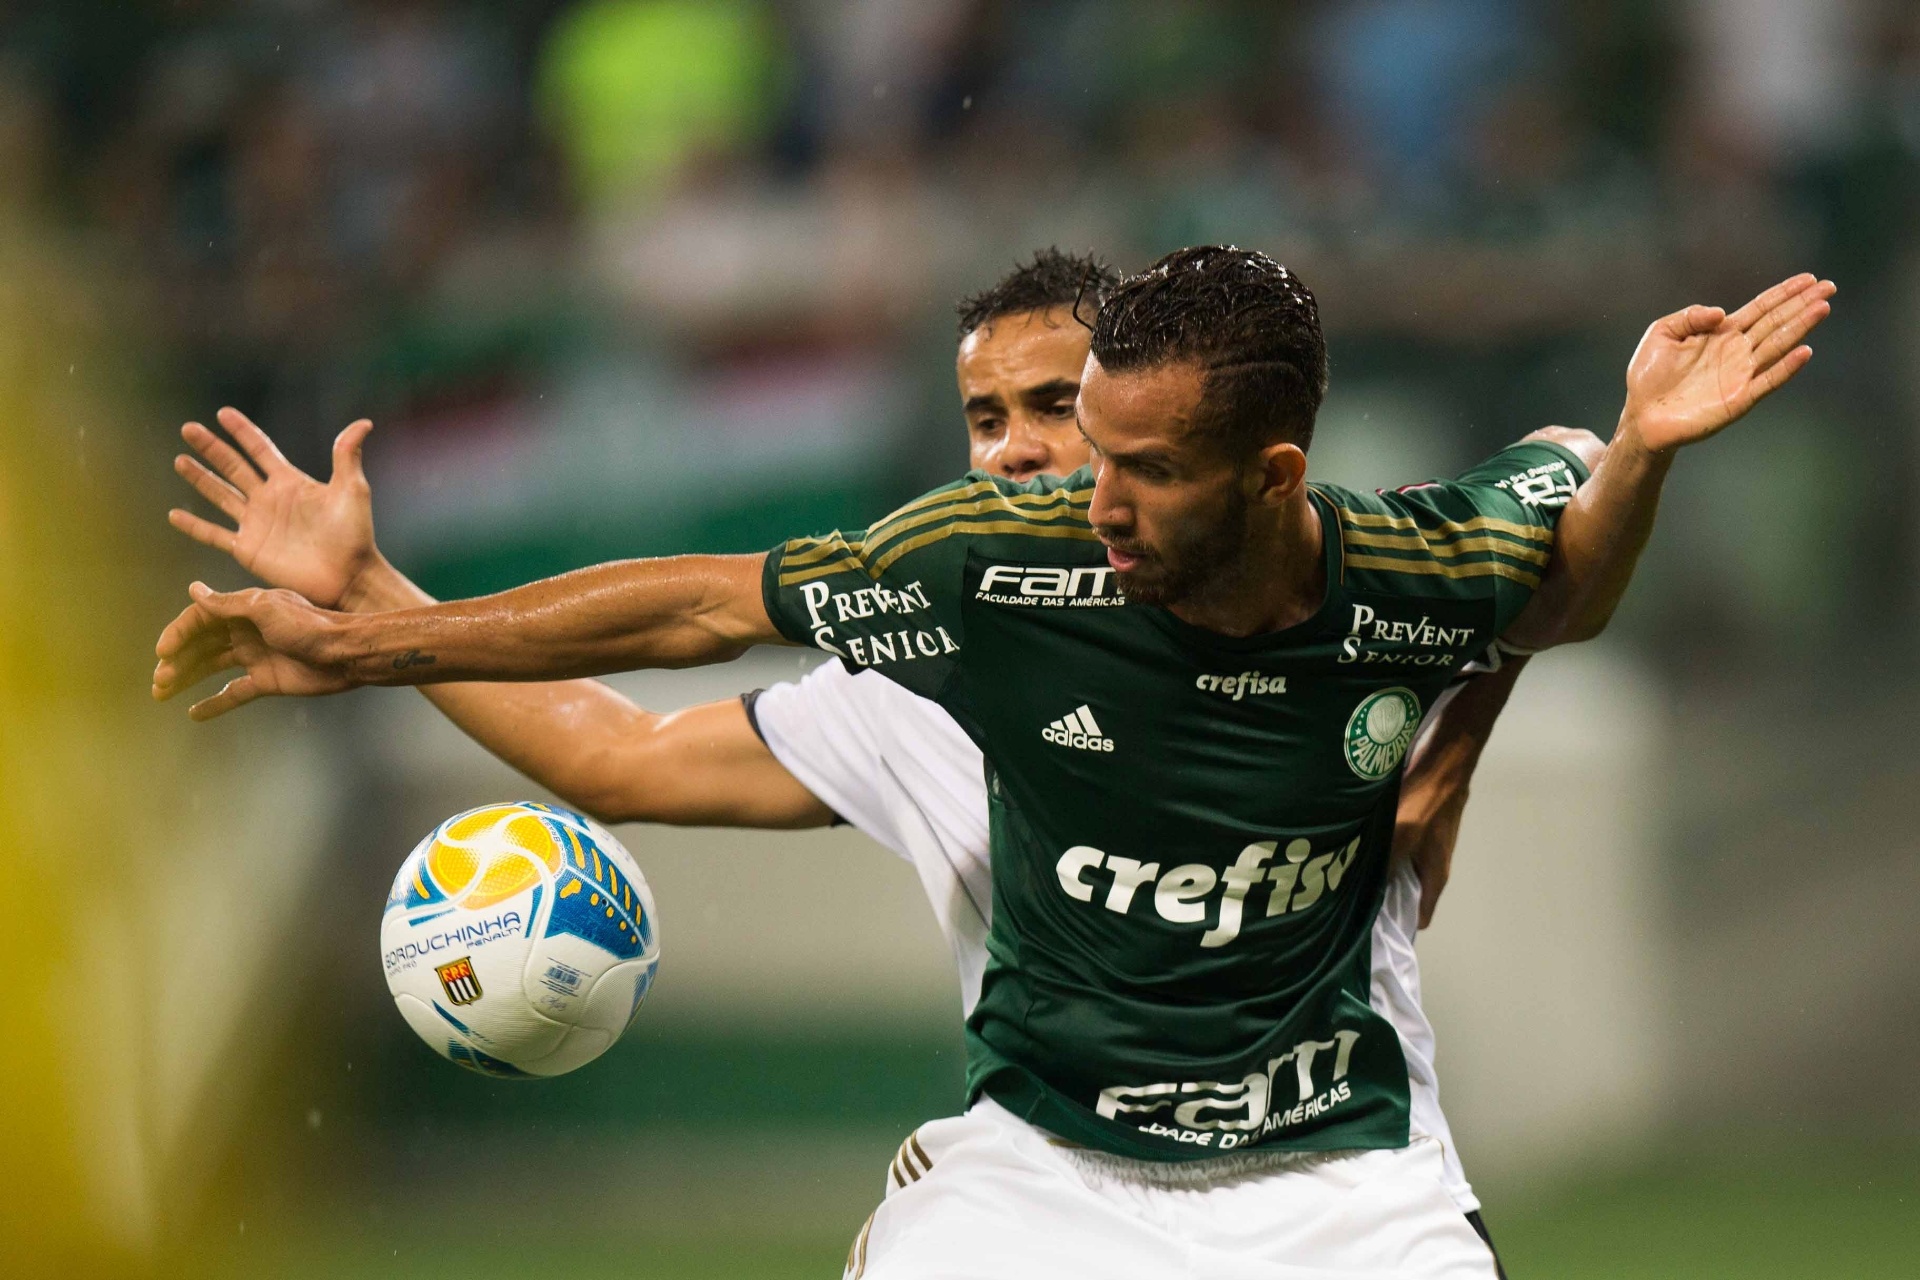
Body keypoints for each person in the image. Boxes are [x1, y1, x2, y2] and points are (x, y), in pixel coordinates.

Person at [155, 248, 1831, 1277]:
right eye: (994, 421)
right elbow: (629, 720)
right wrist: (380, 617)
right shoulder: (941, 634)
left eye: (1066, 411)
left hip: (1333, 1174)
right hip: (1052, 1174)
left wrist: (1472, 705)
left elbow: (1532, 542)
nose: (1035, 457)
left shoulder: (1356, 571)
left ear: (1230, 453)